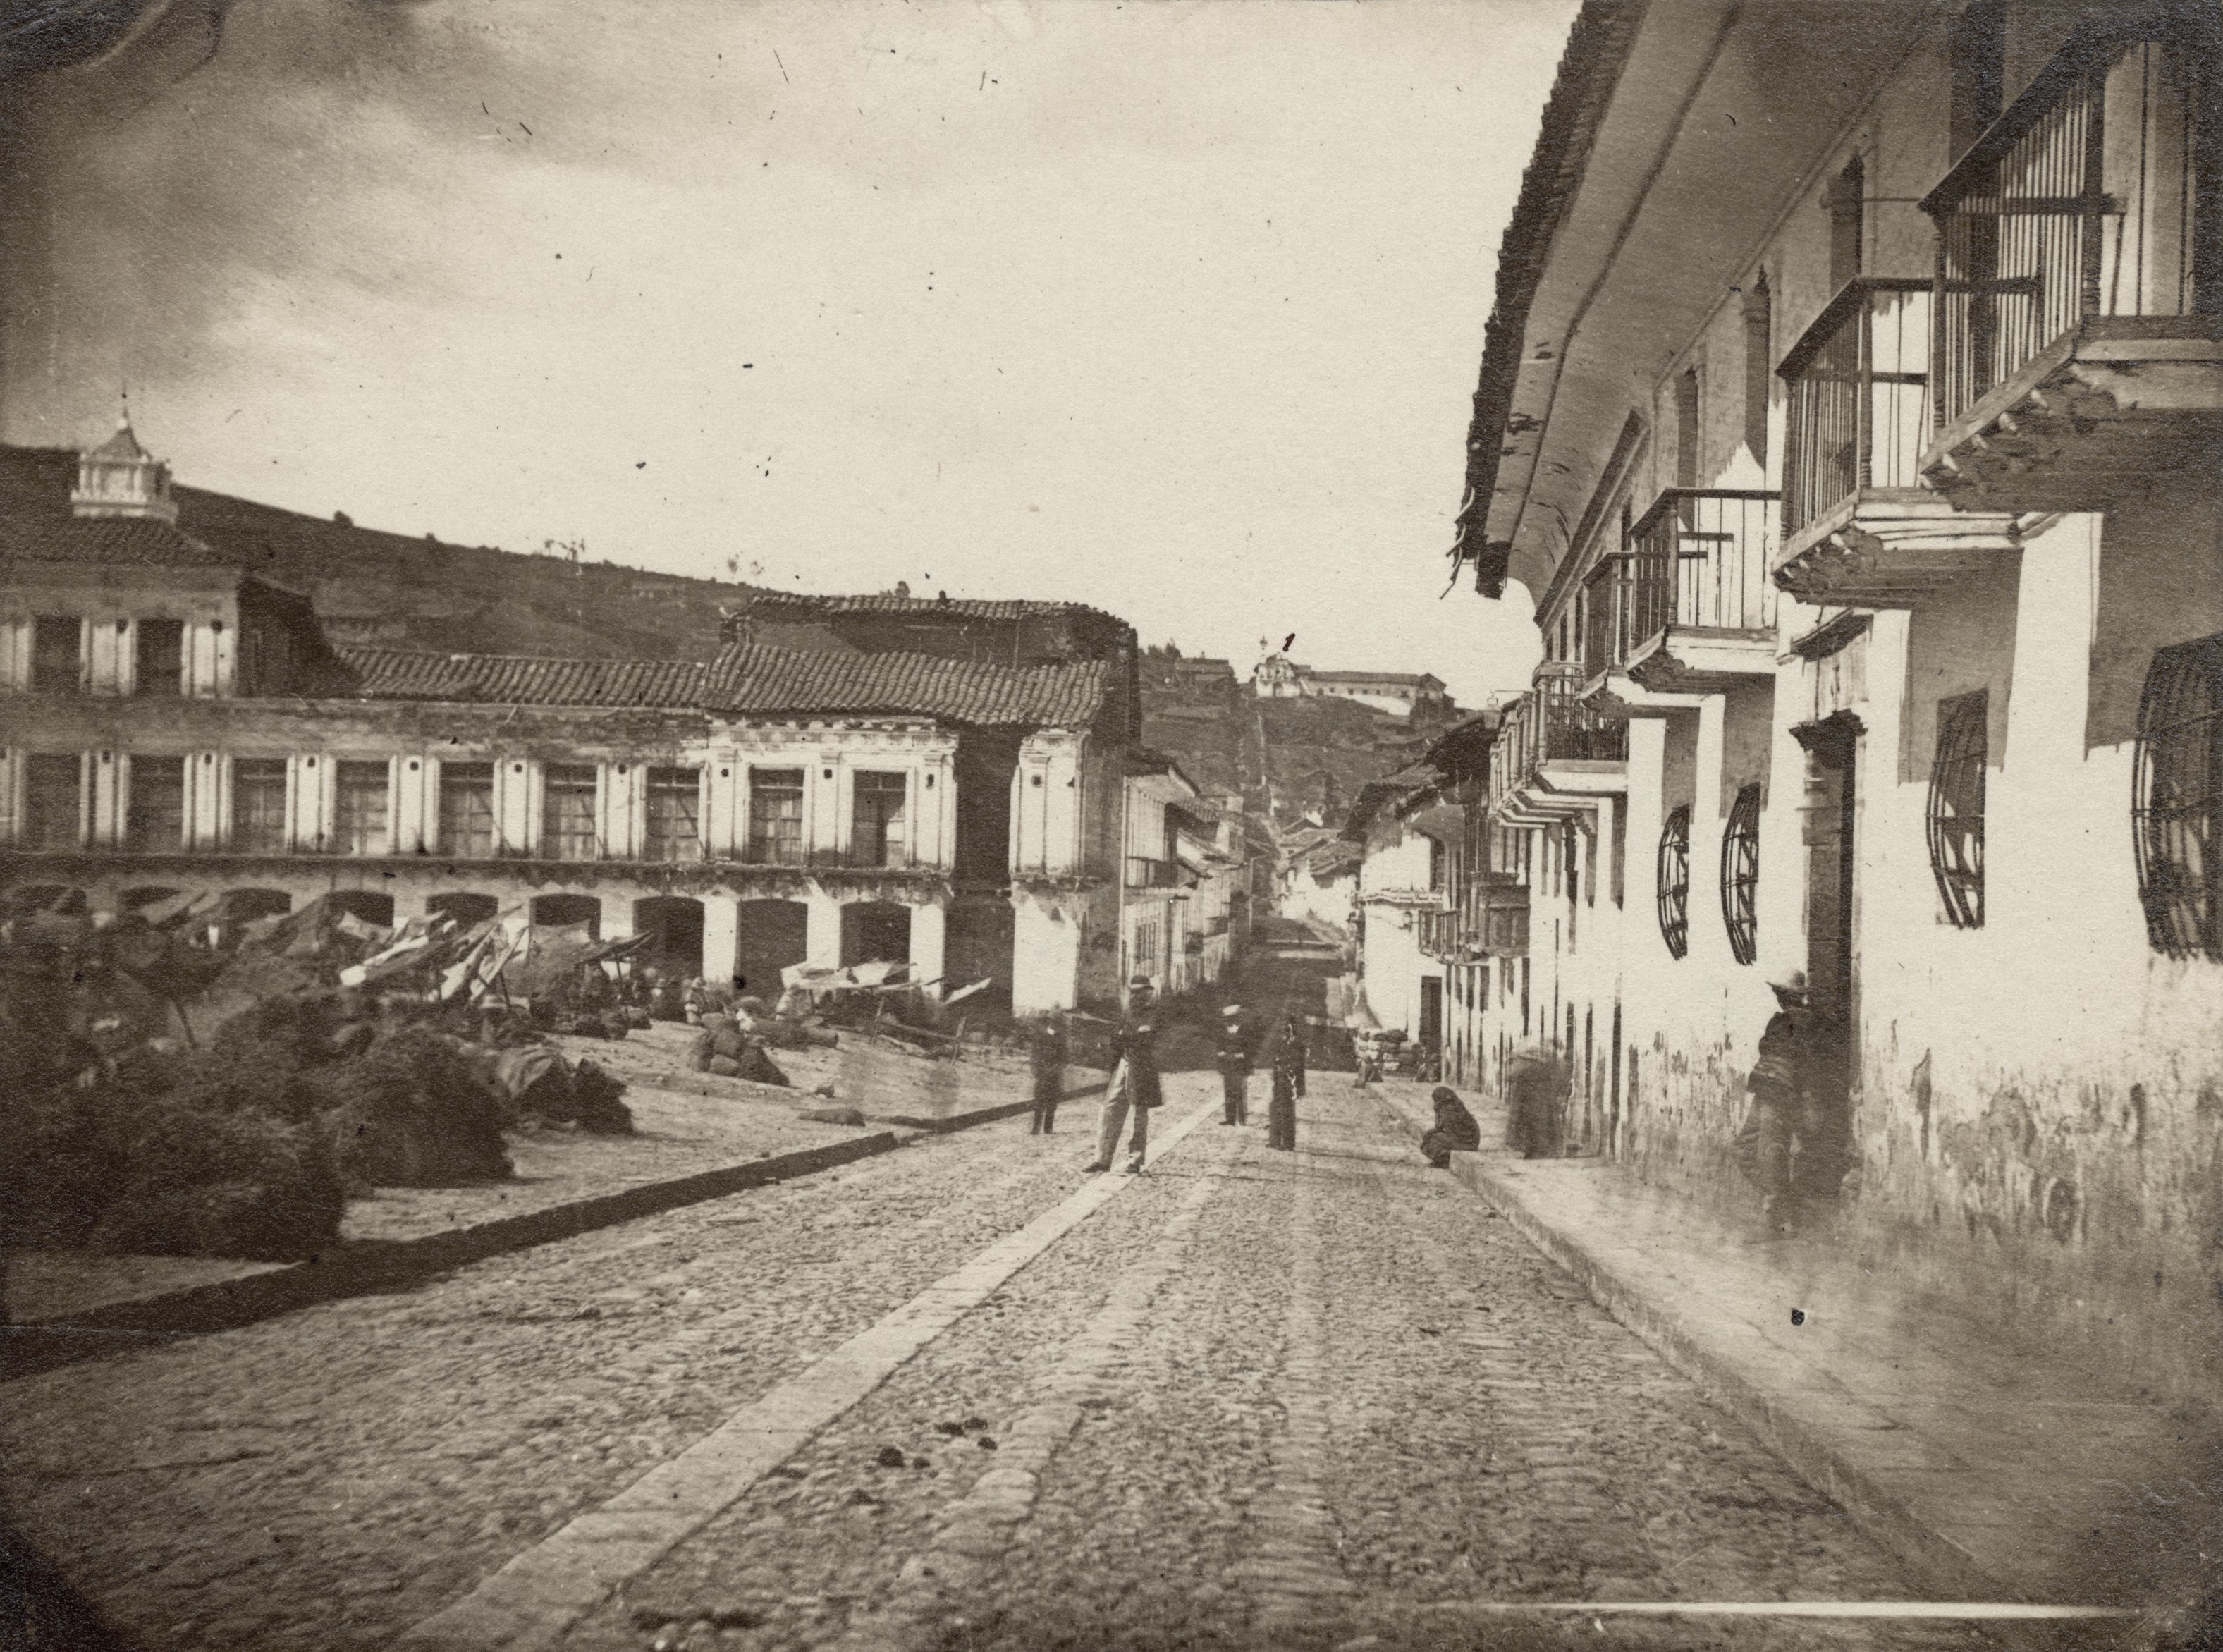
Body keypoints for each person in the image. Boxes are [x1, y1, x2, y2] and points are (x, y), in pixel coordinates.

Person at [1744, 967, 1823, 1236]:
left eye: (1782, 993)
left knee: (1771, 1155)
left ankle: (1775, 1223)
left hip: (1780, 1094)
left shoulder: (1804, 1023)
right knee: (1743, 1149)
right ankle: (1784, 1203)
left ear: (1791, 995)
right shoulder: (1779, 1020)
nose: (1779, 997)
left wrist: (1808, 1097)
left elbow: (1807, 1062)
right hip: (1765, 1090)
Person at [1087, 979, 1162, 1175]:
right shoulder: (1127, 1013)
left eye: (1139, 992)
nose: (1135, 996)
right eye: (1132, 992)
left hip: (1142, 1067)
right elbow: (1117, 1039)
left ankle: (1135, 1160)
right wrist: (1127, 1037)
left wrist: (1125, 1036)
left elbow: (1144, 1040)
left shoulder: (1153, 1014)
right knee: (1110, 1108)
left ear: (1148, 992)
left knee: (1139, 1114)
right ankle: (1102, 1159)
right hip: (1124, 1062)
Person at [1504, 1044, 1569, 1159]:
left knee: (1536, 1125)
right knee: (1539, 1125)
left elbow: (1512, 1076)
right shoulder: (1538, 1066)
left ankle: (1537, 1150)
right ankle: (1538, 1150)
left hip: (1534, 1102)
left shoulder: (1529, 1067)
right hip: (1535, 1101)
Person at [1267, 1010, 1304, 1151]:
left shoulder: (1296, 1043)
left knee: (1287, 1111)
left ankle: (1288, 1143)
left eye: (1288, 1026)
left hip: (1289, 1081)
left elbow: (1296, 1065)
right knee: (1275, 1108)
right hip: (1279, 1079)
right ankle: (1275, 1140)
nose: (1286, 1029)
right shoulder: (1284, 1040)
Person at [1420, 1085, 1481, 1169]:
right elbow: (1440, 1127)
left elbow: (1439, 1127)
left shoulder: (1449, 1109)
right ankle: (1442, 1159)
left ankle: (1443, 1161)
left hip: (1468, 1142)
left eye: (1437, 1100)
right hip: (1465, 1139)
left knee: (1434, 1137)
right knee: (1432, 1135)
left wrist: (1437, 1112)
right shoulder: (1452, 1105)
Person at [1028, 1012, 1069, 1135]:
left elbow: (1065, 1059)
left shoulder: (1061, 1039)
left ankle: (1048, 1129)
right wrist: (1037, 1071)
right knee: (1039, 1102)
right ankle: (1035, 1129)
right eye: (1057, 1023)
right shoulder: (1040, 1037)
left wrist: (1058, 1068)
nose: (1059, 1026)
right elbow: (1035, 1056)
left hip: (1055, 1075)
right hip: (1042, 1074)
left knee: (1052, 1103)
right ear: (1052, 1023)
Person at [1215, 1002, 1250, 1125]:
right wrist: (1222, 1054)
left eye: (1230, 1019)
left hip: (1239, 1065)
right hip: (1227, 1065)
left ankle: (1242, 1119)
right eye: (1226, 1020)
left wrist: (1242, 1055)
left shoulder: (1245, 1030)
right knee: (1228, 1090)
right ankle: (1230, 1119)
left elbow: (1249, 1048)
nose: (1227, 1022)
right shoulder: (1224, 1032)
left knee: (1239, 1091)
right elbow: (1219, 1049)